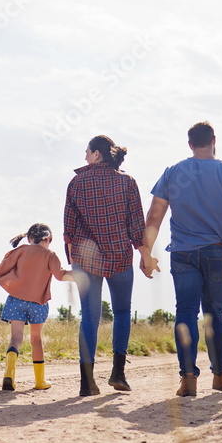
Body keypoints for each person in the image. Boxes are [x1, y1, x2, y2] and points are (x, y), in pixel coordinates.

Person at [141, 121, 222, 396]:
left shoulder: (173, 172)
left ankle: (188, 378)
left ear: (189, 144)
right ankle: (220, 374)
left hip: (182, 254)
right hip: (217, 252)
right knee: (214, 316)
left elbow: (155, 215)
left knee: (185, 313)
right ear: (214, 140)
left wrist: (146, 252)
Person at [63, 135, 147, 396]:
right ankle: (118, 372)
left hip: (85, 258)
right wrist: (145, 256)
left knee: (89, 315)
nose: (85, 156)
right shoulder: (128, 182)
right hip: (120, 255)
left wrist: (73, 261)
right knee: (122, 312)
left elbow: (69, 230)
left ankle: (87, 383)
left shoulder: (76, 183)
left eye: (87, 152)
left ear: (97, 154)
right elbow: (137, 227)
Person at [0, 223, 74, 391]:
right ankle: (39, 381)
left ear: (29, 238)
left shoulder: (21, 250)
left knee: (16, 339)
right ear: (49, 239)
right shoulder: (51, 256)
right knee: (36, 340)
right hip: (38, 304)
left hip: (16, 300)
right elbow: (60, 275)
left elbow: (2, 268)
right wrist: (80, 275)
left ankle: (9, 374)